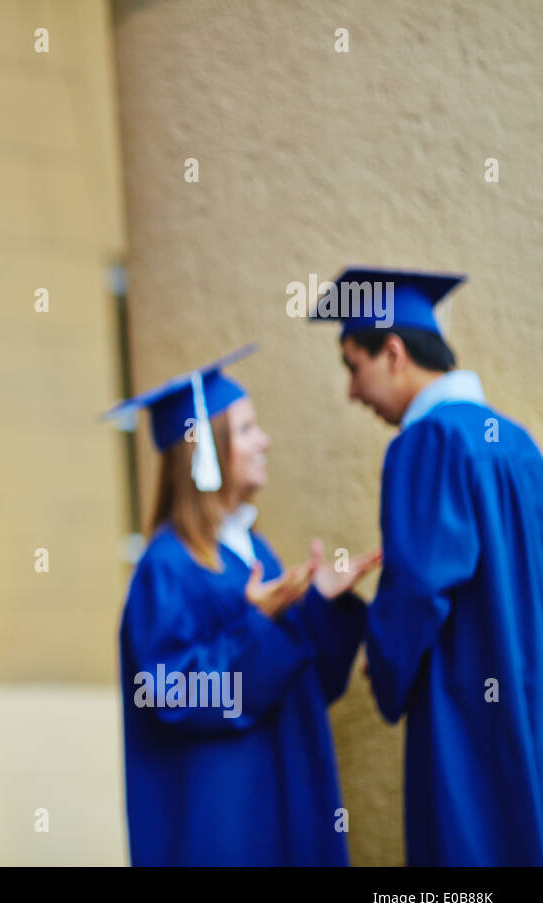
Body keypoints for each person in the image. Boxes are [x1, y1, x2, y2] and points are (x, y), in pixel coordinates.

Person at [105, 346, 380, 865]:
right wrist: (258, 624)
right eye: (249, 429)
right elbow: (173, 694)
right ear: (206, 449)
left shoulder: (251, 551)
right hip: (224, 813)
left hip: (281, 793)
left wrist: (323, 603)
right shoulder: (166, 568)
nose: (265, 441)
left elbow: (300, 681)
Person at [311, 266, 543, 865]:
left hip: (465, 712)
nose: (352, 393)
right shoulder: (517, 444)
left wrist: (383, 663)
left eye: (352, 366)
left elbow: (418, 586)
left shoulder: (427, 442)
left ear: (392, 353)